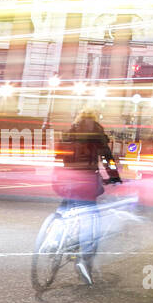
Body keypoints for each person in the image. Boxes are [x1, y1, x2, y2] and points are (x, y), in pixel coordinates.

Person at [53, 110, 121, 284]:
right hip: (87, 180)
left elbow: (59, 154)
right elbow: (107, 159)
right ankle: (85, 260)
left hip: (65, 178)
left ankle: (55, 237)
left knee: (66, 205)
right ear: (95, 120)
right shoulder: (97, 134)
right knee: (90, 220)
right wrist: (113, 176)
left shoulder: (70, 132)